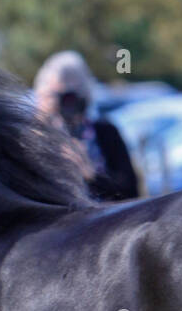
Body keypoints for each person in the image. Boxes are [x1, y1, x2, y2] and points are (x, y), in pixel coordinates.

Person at [33, 51, 139, 201]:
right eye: (58, 96)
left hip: (107, 221)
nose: (66, 104)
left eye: (72, 95)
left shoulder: (105, 132)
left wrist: (92, 175)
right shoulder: (34, 140)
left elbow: (130, 192)